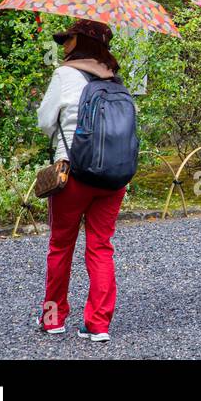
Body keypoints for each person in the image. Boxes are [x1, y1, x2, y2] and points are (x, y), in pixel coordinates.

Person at [37, 19, 128, 343]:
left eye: (68, 39)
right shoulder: (116, 81)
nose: (64, 45)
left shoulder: (65, 75)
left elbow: (45, 121)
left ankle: (53, 318)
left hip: (71, 174)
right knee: (101, 247)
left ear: (81, 43)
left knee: (60, 246)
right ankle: (98, 324)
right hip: (113, 178)